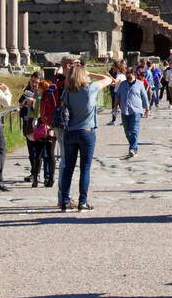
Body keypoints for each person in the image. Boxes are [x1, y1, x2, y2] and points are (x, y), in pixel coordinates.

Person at [60, 63, 115, 212]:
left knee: (68, 168)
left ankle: (64, 201)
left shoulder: (66, 92)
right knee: (85, 169)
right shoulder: (90, 89)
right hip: (86, 132)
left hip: (70, 132)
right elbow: (108, 79)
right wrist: (89, 74)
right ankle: (82, 201)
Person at [117, 65, 150, 159]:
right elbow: (117, 96)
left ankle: (132, 149)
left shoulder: (139, 84)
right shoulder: (123, 84)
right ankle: (134, 146)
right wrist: (115, 107)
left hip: (136, 111)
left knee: (134, 130)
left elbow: (144, 97)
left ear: (134, 74)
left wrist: (147, 108)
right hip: (125, 111)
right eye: (126, 73)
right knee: (127, 131)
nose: (127, 75)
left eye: (129, 73)